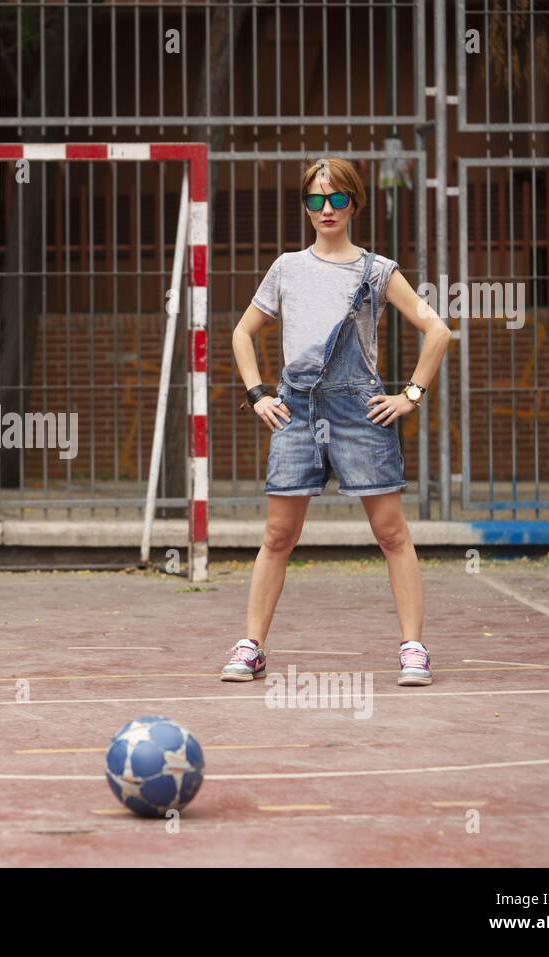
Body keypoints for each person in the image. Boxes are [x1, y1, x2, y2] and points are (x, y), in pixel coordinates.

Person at [224, 157, 451, 687]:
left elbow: (437, 330)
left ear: (354, 203)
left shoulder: (377, 270)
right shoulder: (286, 268)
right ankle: (251, 645)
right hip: (296, 411)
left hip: (359, 411)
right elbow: (241, 332)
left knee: (391, 532)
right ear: (305, 206)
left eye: (337, 198)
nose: (326, 209)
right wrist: (257, 395)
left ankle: (413, 648)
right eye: (315, 199)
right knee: (278, 535)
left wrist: (411, 395)